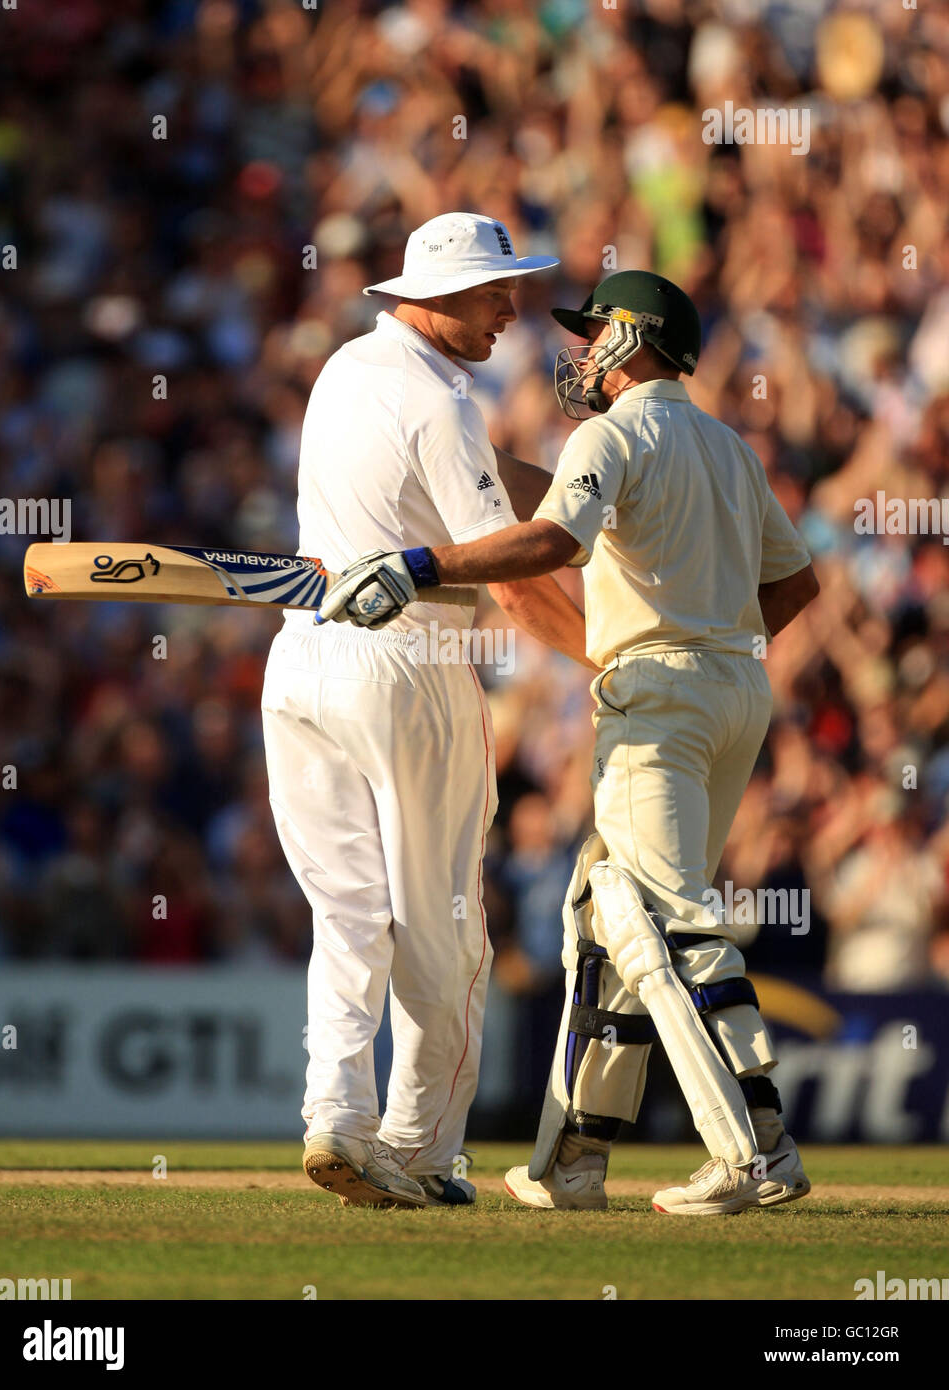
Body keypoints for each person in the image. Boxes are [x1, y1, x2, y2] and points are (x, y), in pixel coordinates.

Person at [319, 269, 821, 1215]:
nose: (583, 353)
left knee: (666, 922)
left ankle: (757, 1150)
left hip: (658, 697)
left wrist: (419, 561)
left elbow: (552, 545)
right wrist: (714, 633)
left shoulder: (612, 432)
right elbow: (795, 589)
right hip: (732, 691)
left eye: (598, 336)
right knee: (603, 916)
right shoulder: (727, 446)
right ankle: (573, 1162)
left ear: (635, 342)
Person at [262, 212, 590, 1209]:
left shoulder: (346, 374)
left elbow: (487, 487)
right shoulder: (439, 402)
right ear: (439, 297)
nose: (511, 310)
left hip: (302, 660)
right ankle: (421, 1147)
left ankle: (334, 1119)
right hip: (413, 659)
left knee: (348, 913)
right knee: (443, 919)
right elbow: (511, 575)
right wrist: (604, 655)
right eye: (497, 291)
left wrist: (590, 500)